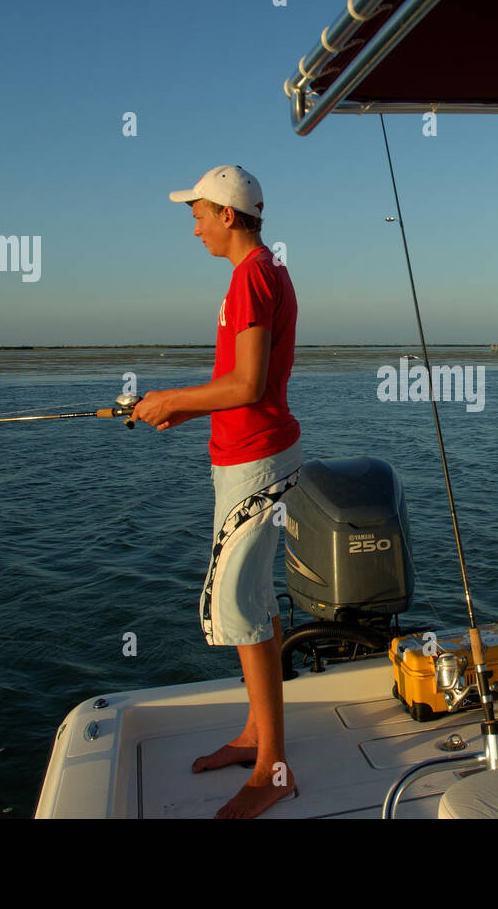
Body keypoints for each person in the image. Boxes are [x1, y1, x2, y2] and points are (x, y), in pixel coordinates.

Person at [131, 165, 302, 817]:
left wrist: (172, 396)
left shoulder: (252, 275)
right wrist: (182, 411)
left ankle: (274, 770)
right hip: (250, 456)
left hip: (255, 460)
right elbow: (239, 383)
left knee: (241, 605)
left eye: (199, 213)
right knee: (254, 597)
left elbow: (248, 384)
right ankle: (258, 733)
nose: (195, 225)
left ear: (229, 214)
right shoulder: (266, 272)